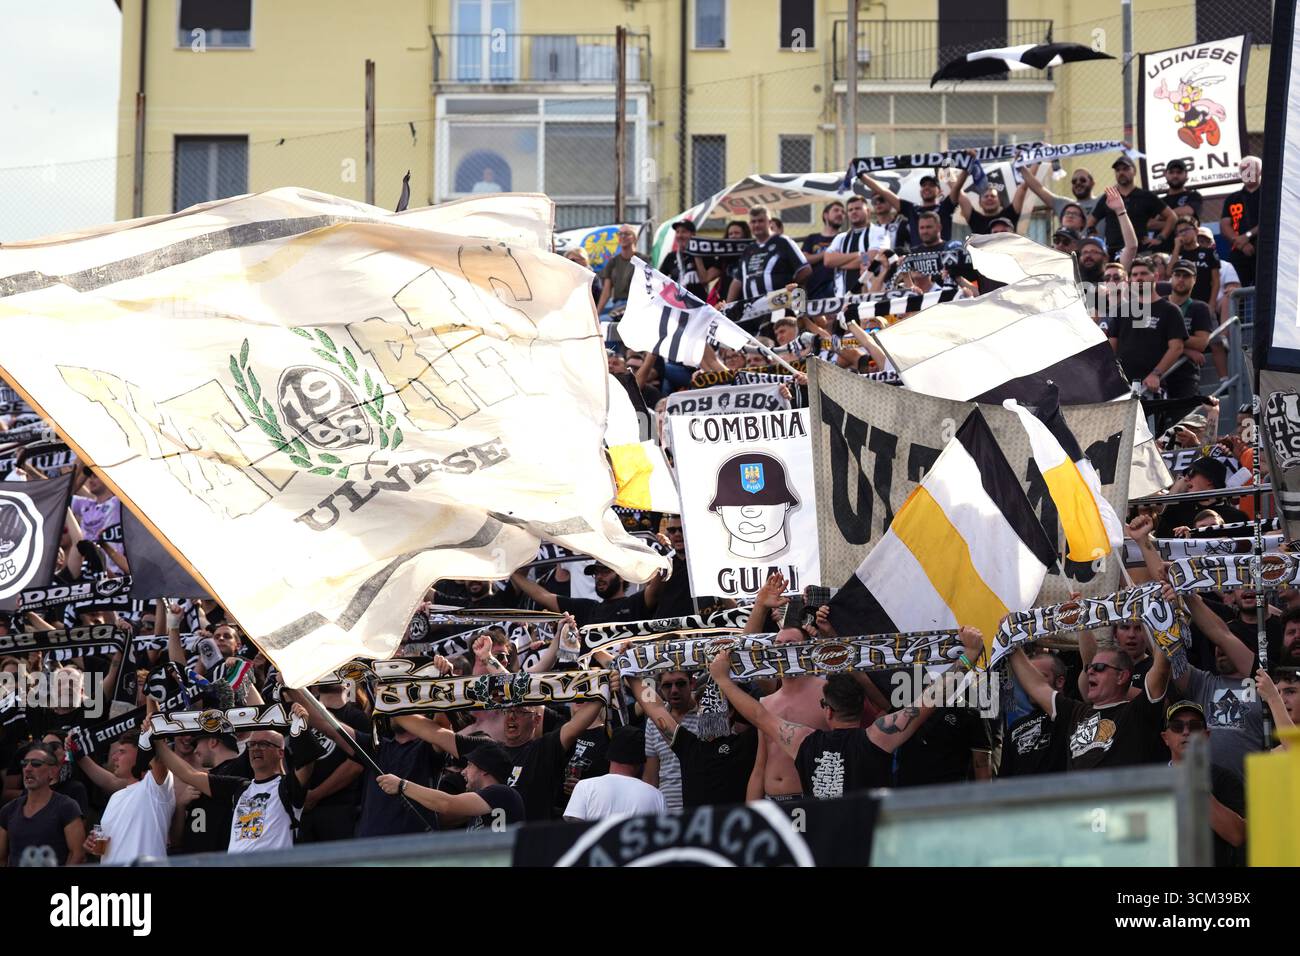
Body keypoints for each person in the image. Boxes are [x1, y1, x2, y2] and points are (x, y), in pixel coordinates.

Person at [709, 627, 985, 798]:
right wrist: (968, 656)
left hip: (824, 839)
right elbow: (931, 698)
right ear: (860, 705)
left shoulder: (804, 741)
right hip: (867, 839)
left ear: (827, 709)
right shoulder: (881, 734)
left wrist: (723, 680)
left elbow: (758, 714)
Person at [392, 696, 606, 822]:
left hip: (528, 849)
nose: (511, 716)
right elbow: (434, 734)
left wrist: (600, 692)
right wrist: (389, 704)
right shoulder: (487, 748)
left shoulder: (543, 749)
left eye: (520, 711)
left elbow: (577, 725)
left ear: (537, 718)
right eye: (507, 710)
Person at [1009, 616, 1171, 771]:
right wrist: (1011, 640)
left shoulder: (1137, 712)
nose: (1091, 671)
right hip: (1080, 798)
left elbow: (1161, 669)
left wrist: (1165, 615)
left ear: (1121, 676)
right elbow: (1036, 686)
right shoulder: (1075, 712)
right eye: (1089, 668)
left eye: (1099, 668)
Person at [153, 706, 320, 855]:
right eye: (252, 744)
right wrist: (157, 741)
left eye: (263, 744)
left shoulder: (287, 787)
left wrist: (301, 726)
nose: (255, 749)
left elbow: (307, 761)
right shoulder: (240, 788)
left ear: (280, 753)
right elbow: (189, 774)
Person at [632, 675, 759, 808]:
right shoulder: (690, 746)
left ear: (730, 711)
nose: (706, 713)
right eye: (702, 707)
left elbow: (760, 714)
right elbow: (655, 708)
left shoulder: (745, 742)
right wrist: (630, 672)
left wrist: (725, 680)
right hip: (694, 825)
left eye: (713, 705)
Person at [1161, 700, 1245, 866]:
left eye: (1194, 727)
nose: (1186, 732)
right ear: (1165, 738)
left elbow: (1237, 836)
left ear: (1206, 736)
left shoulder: (1225, 779)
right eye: (1177, 726)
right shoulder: (1151, 782)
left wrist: (1196, 784)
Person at [377, 743, 524, 832]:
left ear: (485, 769)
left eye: (469, 765)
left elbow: (446, 804)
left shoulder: (502, 793)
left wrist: (402, 785)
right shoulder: (478, 810)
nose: (463, 771)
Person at [87, 734, 174, 865]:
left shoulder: (155, 787)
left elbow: (160, 751)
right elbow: (111, 845)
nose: (114, 758)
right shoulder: (115, 797)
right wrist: (93, 844)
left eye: (121, 752)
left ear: (140, 753)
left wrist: (150, 726)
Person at [1106, 257, 1186, 394]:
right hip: (1123, 386)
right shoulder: (1122, 309)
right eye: (1135, 274)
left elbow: (1177, 348)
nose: (1139, 278)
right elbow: (1111, 346)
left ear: (1155, 276)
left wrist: (1156, 373)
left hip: (1152, 387)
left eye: (1143, 273)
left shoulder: (1170, 310)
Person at [0, 742, 84, 867]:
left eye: (36, 764)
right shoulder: (8, 810)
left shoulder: (67, 807)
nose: (27, 769)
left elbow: (77, 855)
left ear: (52, 771)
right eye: (24, 763)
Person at [725, 206, 811, 329]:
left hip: (779, 308)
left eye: (761, 221)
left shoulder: (783, 242)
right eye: (753, 222)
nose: (757, 225)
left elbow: (805, 270)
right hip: (751, 312)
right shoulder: (749, 250)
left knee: (777, 340)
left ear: (769, 223)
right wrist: (728, 308)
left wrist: (788, 292)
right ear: (749, 224)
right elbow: (738, 281)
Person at [510, 561, 663, 628]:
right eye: (596, 573)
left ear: (621, 576)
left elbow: (658, 585)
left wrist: (665, 553)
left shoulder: (634, 603)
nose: (599, 577)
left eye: (605, 572)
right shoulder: (587, 608)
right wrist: (509, 572)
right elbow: (543, 596)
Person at [562, 727, 666, 821]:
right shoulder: (656, 796)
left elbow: (573, 830)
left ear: (609, 755)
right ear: (640, 762)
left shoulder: (585, 786)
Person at [1000, 651, 1069, 776]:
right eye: (1027, 678)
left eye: (1038, 677)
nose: (1030, 684)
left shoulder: (1071, 716)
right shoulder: (1015, 727)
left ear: (1060, 681)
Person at [1088, 156, 1175, 256]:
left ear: (1134, 172)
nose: (1121, 173)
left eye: (1125, 169)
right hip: (1113, 252)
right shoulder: (1109, 197)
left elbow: (1172, 217)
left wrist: (1160, 238)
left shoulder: (1146, 196)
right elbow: (1091, 221)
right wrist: (1095, 239)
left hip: (1140, 252)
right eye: (1118, 170)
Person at [641, 669, 700, 812]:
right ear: (660, 688)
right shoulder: (653, 722)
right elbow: (651, 775)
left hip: (700, 805)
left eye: (680, 684)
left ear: (692, 683)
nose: (674, 690)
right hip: (665, 807)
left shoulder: (707, 716)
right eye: (667, 685)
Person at [1161, 259, 1216, 399]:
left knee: (1185, 419)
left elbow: (1201, 343)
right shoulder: (1158, 304)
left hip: (1185, 375)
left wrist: (1167, 337)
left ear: (1194, 280)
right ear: (1171, 278)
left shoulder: (1200, 308)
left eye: (1186, 276)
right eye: (1177, 275)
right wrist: (1186, 349)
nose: (1181, 279)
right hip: (1157, 372)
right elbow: (1148, 338)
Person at [858, 171, 957, 241]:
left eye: (931, 185)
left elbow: (957, 188)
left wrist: (946, 167)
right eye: (923, 185)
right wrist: (861, 176)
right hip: (918, 262)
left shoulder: (945, 207)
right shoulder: (912, 209)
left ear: (939, 191)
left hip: (942, 260)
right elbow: (883, 192)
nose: (926, 187)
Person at [1219, 156, 1262, 287]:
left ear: (1260, 171)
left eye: (1251, 169)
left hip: (1265, 249)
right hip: (1239, 251)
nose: (1248, 172)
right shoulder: (1232, 198)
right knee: (1234, 290)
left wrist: (1247, 236)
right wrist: (1241, 244)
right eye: (1244, 169)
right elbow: (1224, 225)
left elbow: (1270, 221)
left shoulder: (1270, 194)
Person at [950, 166, 1030, 236]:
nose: (989, 198)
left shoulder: (1010, 214)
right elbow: (957, 191)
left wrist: (1038, 160)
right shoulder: (975, 219)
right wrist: (944, 165)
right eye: (986, 196)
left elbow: (1024, 187)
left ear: (1000, 201)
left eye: (993, 196)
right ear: (980, 203)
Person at [822, 194, 871, 299]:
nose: (853, 211)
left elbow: (870, 258)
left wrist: (839, 263)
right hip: (842, 297)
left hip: (869, 295)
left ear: (868, 211)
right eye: (850, 210)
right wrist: (859, 255)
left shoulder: (877, 232)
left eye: (858, 208)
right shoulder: (841, 237)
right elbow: (828, 260)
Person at [800, 201, 846, 301]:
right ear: (825, 215)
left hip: (837, 289)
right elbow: (804, 259)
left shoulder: (844, 238)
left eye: (843, 212)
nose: (840, 214)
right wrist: (827, 253)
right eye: (836, 210)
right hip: (814, 289)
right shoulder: (812, 238)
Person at [1171, 219, 1219, 307]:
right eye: (1179, 232)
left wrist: (1211, 305)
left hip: (1204, 303)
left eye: (1186, 230)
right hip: (1182, 305)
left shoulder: (1209, 252)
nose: (1183, 234)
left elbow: (1216, 281)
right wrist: (1177, 247)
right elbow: (1169, 272)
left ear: (1196, 231)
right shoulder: (1177, 254)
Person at [595, 225, 638, 318]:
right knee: (602, 320)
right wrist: (596, 314)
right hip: (618, 305)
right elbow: (606, 292)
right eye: (620, 234)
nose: (622, 236)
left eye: (627, 234)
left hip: (636, 305)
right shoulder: (613, 262)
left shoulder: (643, 260)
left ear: (634, 238)